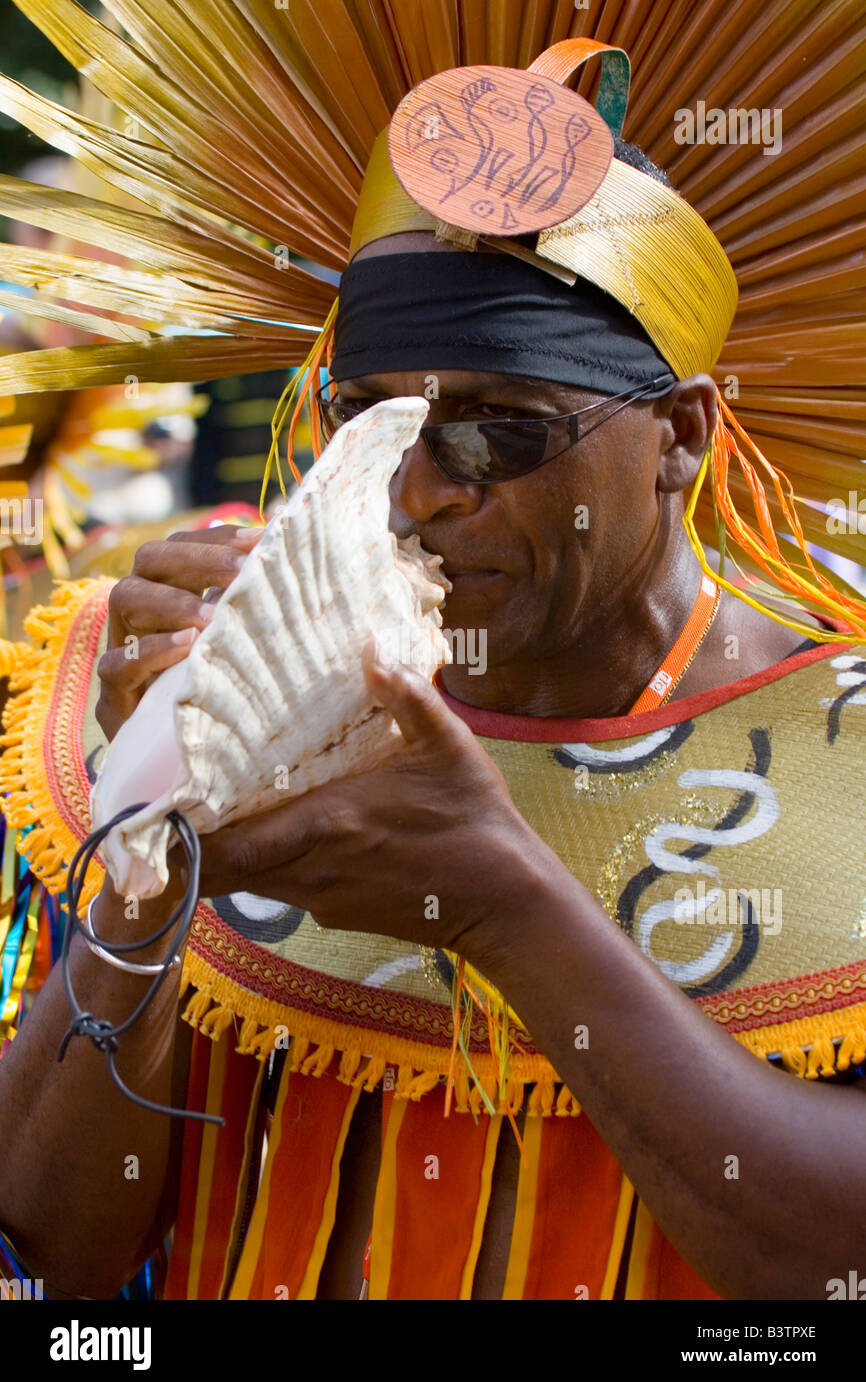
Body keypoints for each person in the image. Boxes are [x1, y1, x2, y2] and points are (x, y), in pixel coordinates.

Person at [0, 29, 864, 1302]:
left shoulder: (837, 751)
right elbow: (58, 1253)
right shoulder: (175, 662)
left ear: (677, 437)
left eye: (498, 430)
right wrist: (149, 854)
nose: (411, 492)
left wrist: (506, 910)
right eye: (367, 419)